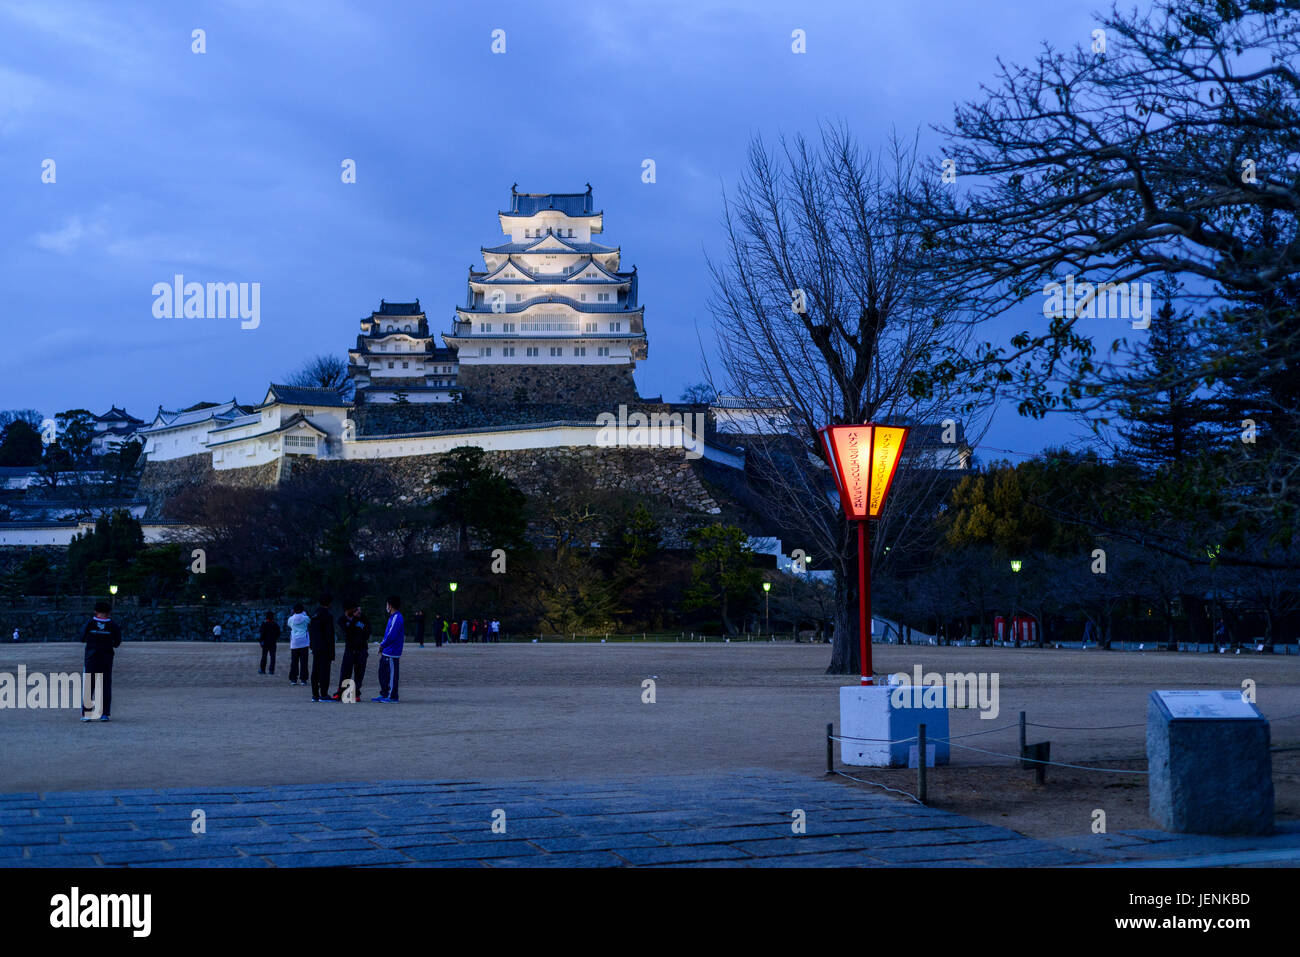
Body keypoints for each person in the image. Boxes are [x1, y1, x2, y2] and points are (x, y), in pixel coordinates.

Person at [80, 600, 121, 721]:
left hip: (91, 658)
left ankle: (87, 713)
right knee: (105, 685)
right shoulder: (113, 625)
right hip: (106, 658)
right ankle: (104, 714)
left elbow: (81, 637)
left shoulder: (90, 623)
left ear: (95, 611)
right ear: (109, 612)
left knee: (89, 685)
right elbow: (117, 642)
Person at [333, 601, 371, 701]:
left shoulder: (362, 617)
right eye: (352, 609)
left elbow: (368, 630)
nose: (355, 611)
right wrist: (354, 619)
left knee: (359, 672)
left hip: (362, 649)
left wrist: (362, 640)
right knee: (346, 672)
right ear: (347, 610)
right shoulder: (342, 619)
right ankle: (342, 692)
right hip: (349, 649)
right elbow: (348, 632)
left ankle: (356, 693)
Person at [373, 595, 404, 703]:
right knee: (383, 674)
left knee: (392, 675)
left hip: (392, 652)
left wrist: (382, 645)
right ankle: (384, 693)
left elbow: (391, 635)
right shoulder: (391, 617)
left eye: (387, 604)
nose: (386, 606)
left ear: (390, 605)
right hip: (387, 651)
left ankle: (393, 696)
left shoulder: (397, 617)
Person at [308, 593, 336, 702]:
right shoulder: (327, 616)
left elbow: (311, 631)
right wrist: (331, 651)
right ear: (329, 603)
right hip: (325, 647)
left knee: (315, 670)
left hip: (315, 647)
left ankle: (315, 694)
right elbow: (329, 634)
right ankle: (323, 694)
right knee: (324, 671)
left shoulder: (314, 614)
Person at [287, 603, 310, 685]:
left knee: (294, 661)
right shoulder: (306, 618)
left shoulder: (291, 619)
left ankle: (293, 679)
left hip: (294, 642)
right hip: (304, 642)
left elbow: (289, 625)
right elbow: (309, 622)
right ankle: (303, 679)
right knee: (304, 662)